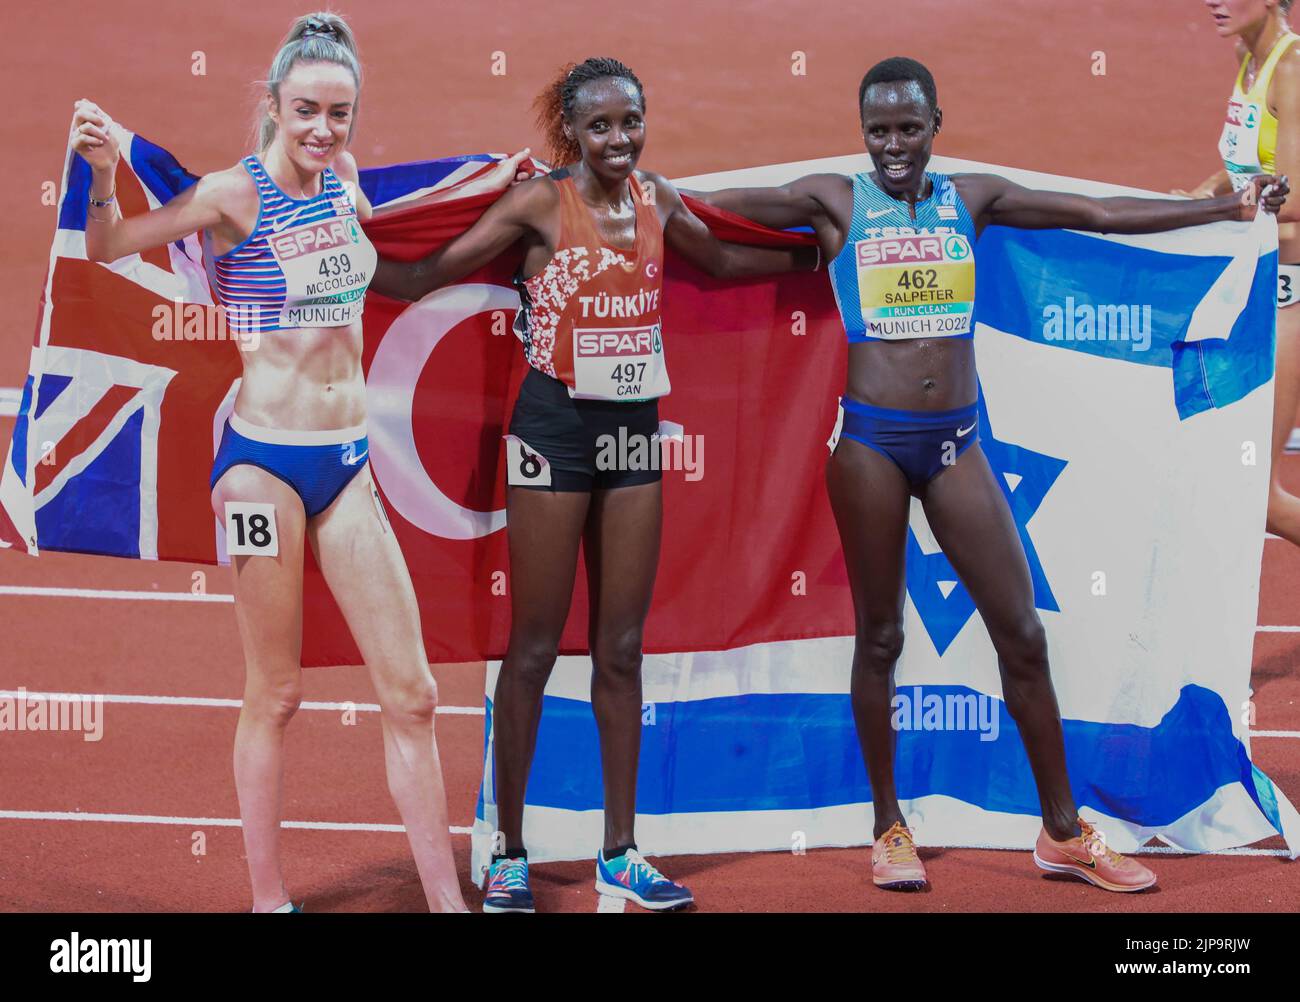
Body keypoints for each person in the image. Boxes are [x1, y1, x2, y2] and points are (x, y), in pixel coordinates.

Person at [688, 56, 1289, 893]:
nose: (893, 145)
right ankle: (888, 825)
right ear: (862, 133)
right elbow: (703, 208)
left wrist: (1222, 206)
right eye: (878, 131)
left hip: (956, 446)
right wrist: (598, 186)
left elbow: (1099, 214)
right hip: (868, 449)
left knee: (1024, 635)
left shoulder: (971, 198)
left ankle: (1062, 833)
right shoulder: (833, 199)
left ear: (937, 124)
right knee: (881, 638)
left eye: (908, 128)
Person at [70, 11, 515, 913]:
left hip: (347, 465)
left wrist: (493, 187)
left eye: (340, 113)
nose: (323, 129)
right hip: (261, 469)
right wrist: (101, 180)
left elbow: (398, 248)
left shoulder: (342, 183)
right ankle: (270, 900)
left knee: (415, 693)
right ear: (272, 104)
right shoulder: (232, 196)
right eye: (306, 110)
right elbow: (111, 249)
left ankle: (445, 901)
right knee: (275, 694)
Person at [372, 56, 817, 912]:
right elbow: (431, 274)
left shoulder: (657, 199)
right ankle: (508, 852)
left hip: (632, 438)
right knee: (534, 647)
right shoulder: (542, 204)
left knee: (621, 648)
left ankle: (621, 849)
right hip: (551, 436)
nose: (619, 139)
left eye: (631, 122)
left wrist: (817, 264)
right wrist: (337, 260)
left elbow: (720, 262)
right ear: (571, 132)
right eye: (601, 126)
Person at [1177, 0, 1299, 541]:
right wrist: (1199, 195)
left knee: (1259, 495)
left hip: (1290, 298)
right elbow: (1249, 167)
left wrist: (1212, 211)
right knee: (1224, 472)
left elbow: (1294, 195)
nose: (1213, 1)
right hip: (1257, 286)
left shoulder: (1291, 70)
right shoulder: (1247, 58)